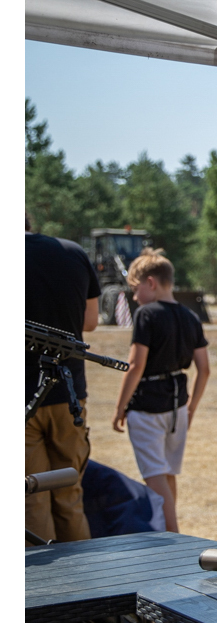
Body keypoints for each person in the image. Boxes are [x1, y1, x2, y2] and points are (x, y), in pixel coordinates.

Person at [112, 249, 210, 533]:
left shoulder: (146, 314)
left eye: (135, 289)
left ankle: (172, 539)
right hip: (178, 406)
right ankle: (170, 531)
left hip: (148, 407)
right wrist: (191, 408)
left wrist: (120, 407)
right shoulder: (191, 316)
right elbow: (204, 369)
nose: (133, 297)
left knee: (154, 477)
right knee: (167, 474)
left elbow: (136, 365)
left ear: (151, 282)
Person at [26, 217, 101, 544]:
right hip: (69, 395)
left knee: (31, 497)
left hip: (23, 402)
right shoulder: (73, 252)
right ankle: (82, 585)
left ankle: (46, 591)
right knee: (70, 494)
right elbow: (91, 321)